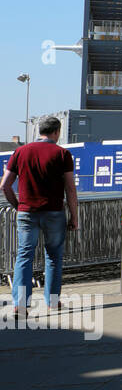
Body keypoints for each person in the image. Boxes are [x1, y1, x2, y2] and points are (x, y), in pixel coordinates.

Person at [2, 115, 79, 315]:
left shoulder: (20, 152)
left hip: (27, 212)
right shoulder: (63, 154)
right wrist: (74, 217)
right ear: (56, 132)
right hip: (54, 213)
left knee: (24, 256)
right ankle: (53, 302)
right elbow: (70, 189)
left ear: (39, 132)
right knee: (53, 256)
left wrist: (18, 205)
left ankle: (20, 305)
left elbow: (5, 185)